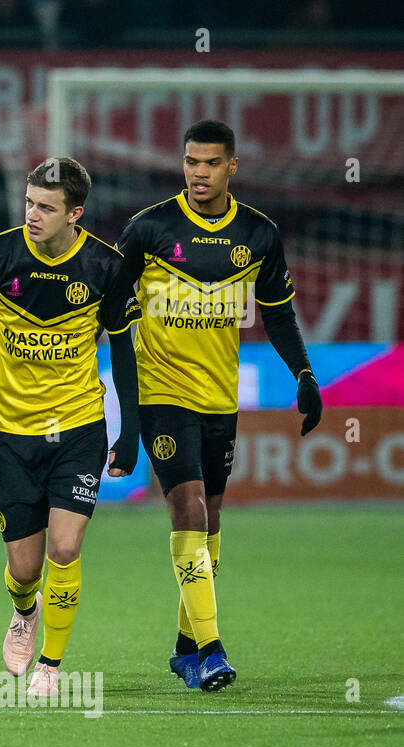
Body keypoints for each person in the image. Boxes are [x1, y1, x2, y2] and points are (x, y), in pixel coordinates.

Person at [116, 120, 322, 692]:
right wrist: (125, 410)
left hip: (218, 397)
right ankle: (210, 648)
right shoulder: (149, 229)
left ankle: (185, 646)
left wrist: (303, 372)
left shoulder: (258, 234)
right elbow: (109, 301)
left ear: (233, 167)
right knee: (188, 512)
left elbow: (277, 310)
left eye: (210, 163)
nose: (198, 173)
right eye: (190, 162)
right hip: (163, 392)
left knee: (211, 523)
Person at [0, 158, 141, 696]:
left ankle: (51, 666)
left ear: (75, 213)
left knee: (66, 550)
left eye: (46, 207)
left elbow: (123, 352)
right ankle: (24, 610)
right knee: (25, 570)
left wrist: (130, 431)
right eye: (29, 203)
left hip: (78, 427)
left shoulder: (105, 267)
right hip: (12, 431)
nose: (32, 214)